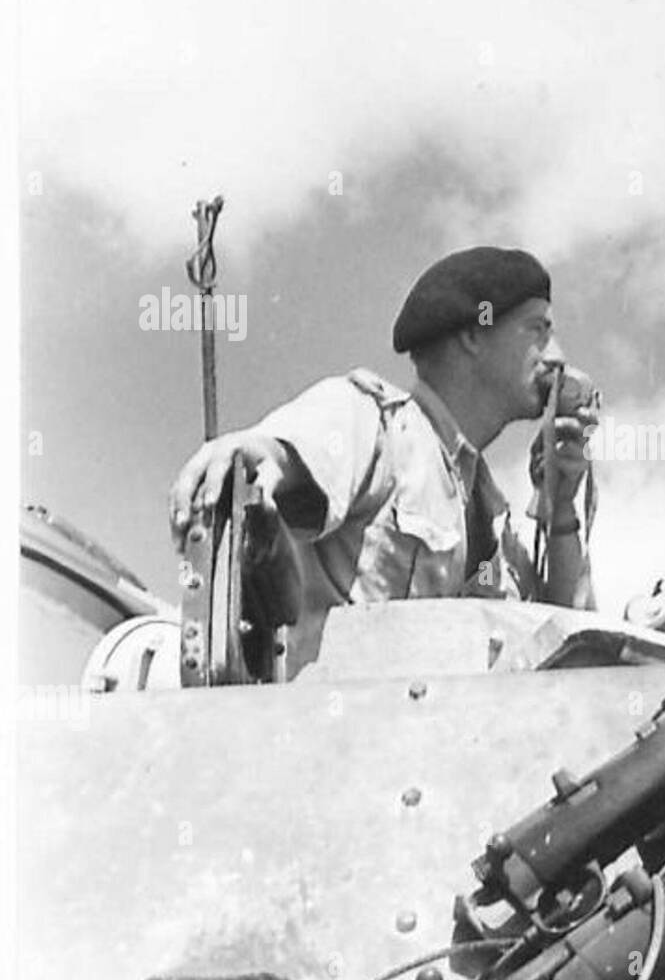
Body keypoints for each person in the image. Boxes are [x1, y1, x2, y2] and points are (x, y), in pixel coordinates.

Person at [168, 246, 595, 674]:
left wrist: (560, 509)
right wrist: (258, 457)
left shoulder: (491, 520)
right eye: (538, 330)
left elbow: (566, 654)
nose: (556, 356)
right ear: (474, 333)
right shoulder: (374, 427)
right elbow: (281, 455)